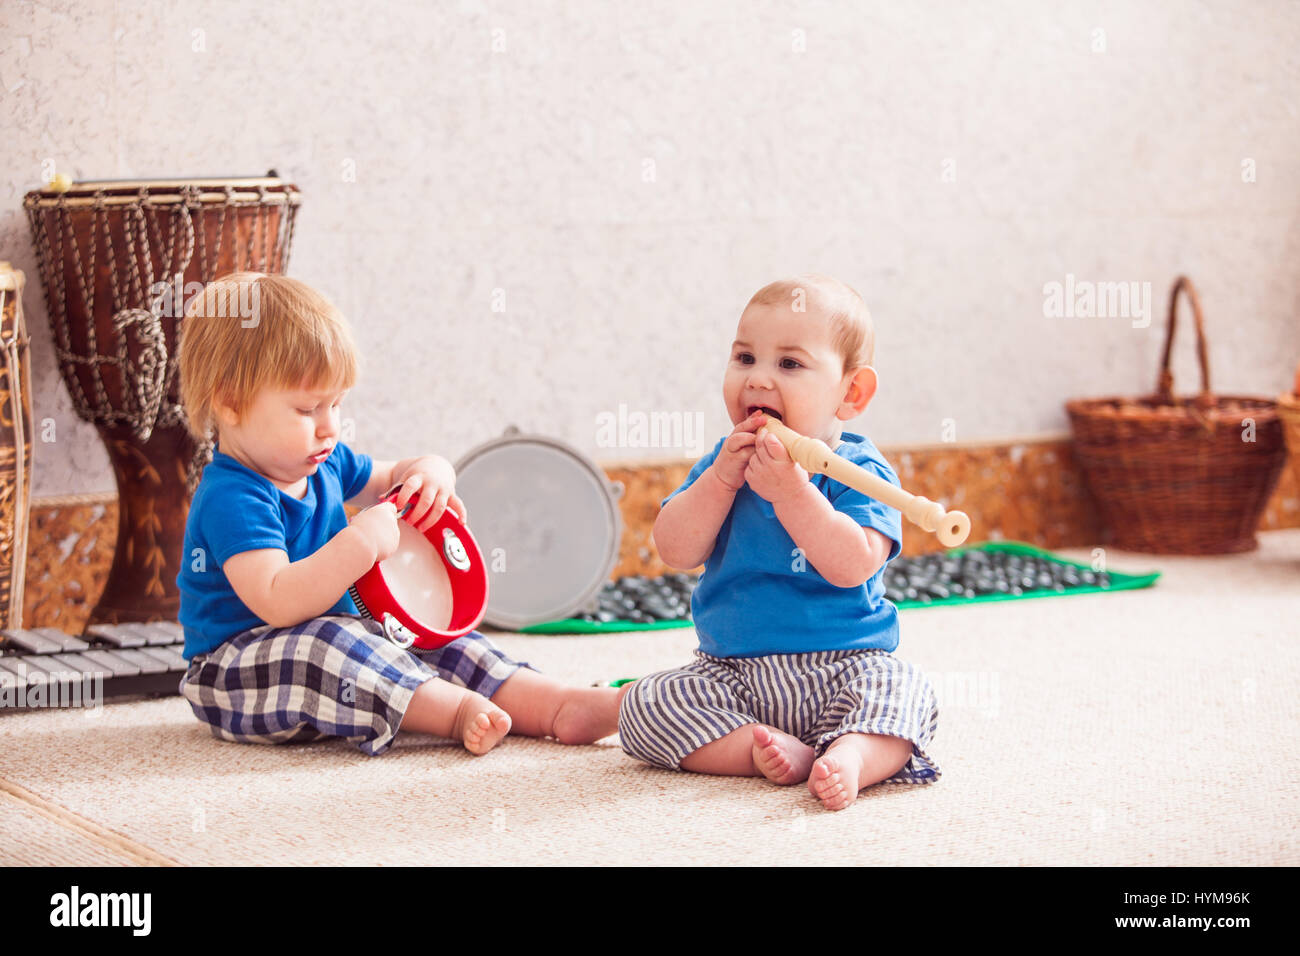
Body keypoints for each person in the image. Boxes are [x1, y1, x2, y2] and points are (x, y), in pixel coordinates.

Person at [175, 272, 622, 757]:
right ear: (230, 403)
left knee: (431, 638)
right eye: (307, 410)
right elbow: (278, 602)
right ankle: (451, 712)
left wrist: (431, 472)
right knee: (334, 640)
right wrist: (360, 543)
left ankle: (557, 706)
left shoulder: (328, 460)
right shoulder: (232, 496)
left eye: (336, 404)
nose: (329, 427)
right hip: (236, 672)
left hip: (337, 650)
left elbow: (395, 476)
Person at [618, 274, 942, 810]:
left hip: (848, 666)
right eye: (745, 358)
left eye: (789, 364)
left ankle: (853, 754)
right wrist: (720, 481)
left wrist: (793, 493)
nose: (759, 381)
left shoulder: (861, 471)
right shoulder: (723, 462)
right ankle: (759, 749)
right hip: (734, 675)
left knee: (907, 691)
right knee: (644, 707)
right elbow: (676, 550)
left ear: (851, 393)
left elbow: (852, 564)